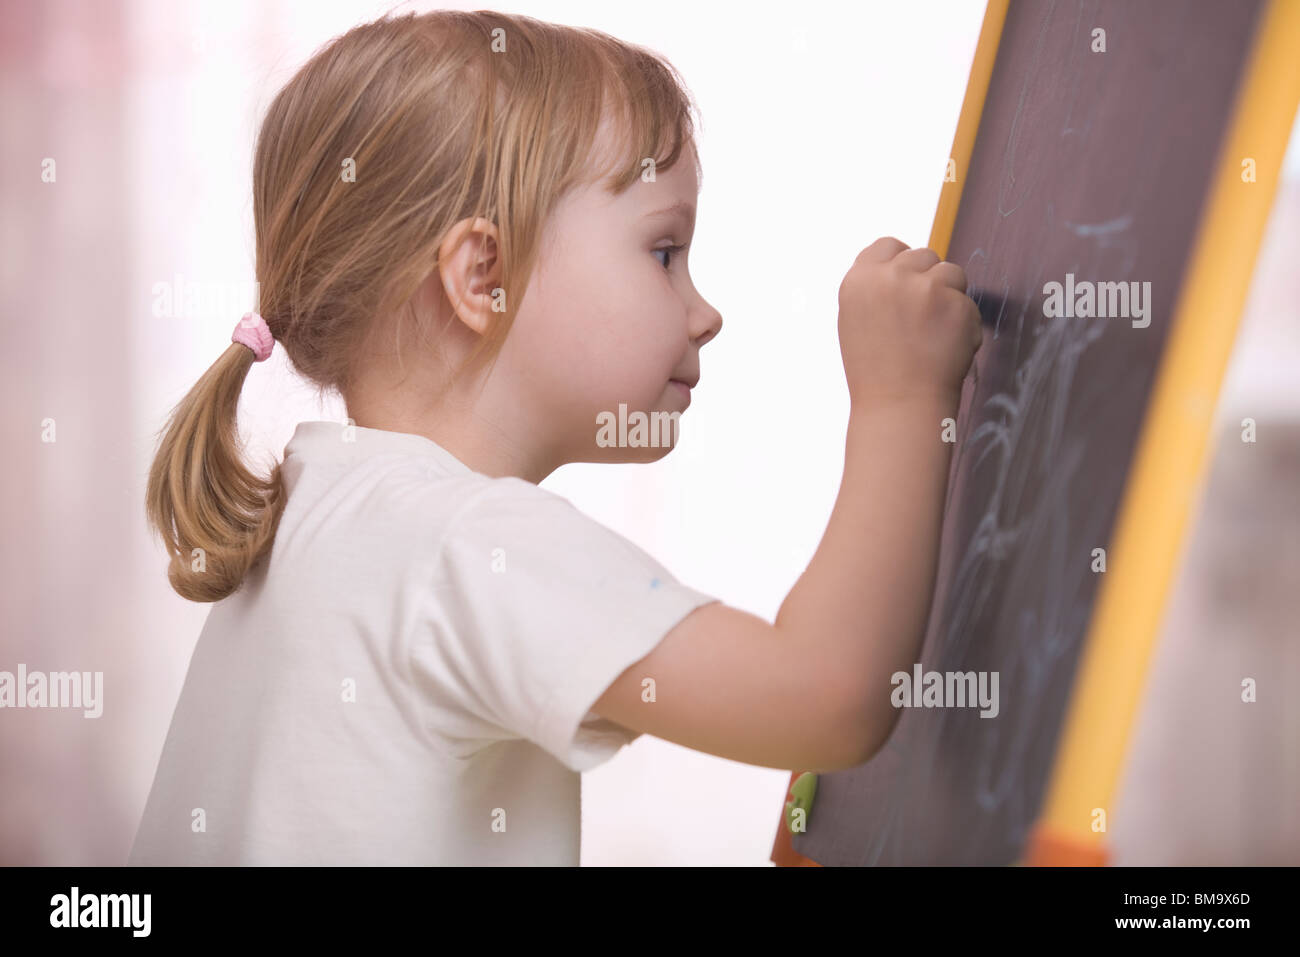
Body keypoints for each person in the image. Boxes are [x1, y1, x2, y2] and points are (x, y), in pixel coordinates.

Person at [128, 9, 981, 866]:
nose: (705, 312)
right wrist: (902, 399)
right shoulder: (467, 545)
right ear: (482, 277)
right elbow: (824, 698)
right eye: (662, 252)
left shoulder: (314, 521)